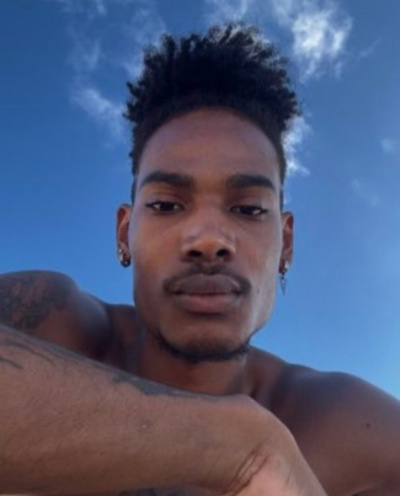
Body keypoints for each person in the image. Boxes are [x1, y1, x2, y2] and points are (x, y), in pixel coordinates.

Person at [0, 21, 399, 496]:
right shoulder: (51, 321)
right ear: (125, 233)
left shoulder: (354, 429)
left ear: (286, 243)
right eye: (167, 205)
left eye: (249, 209)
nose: (209, 240)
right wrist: (241, 450)